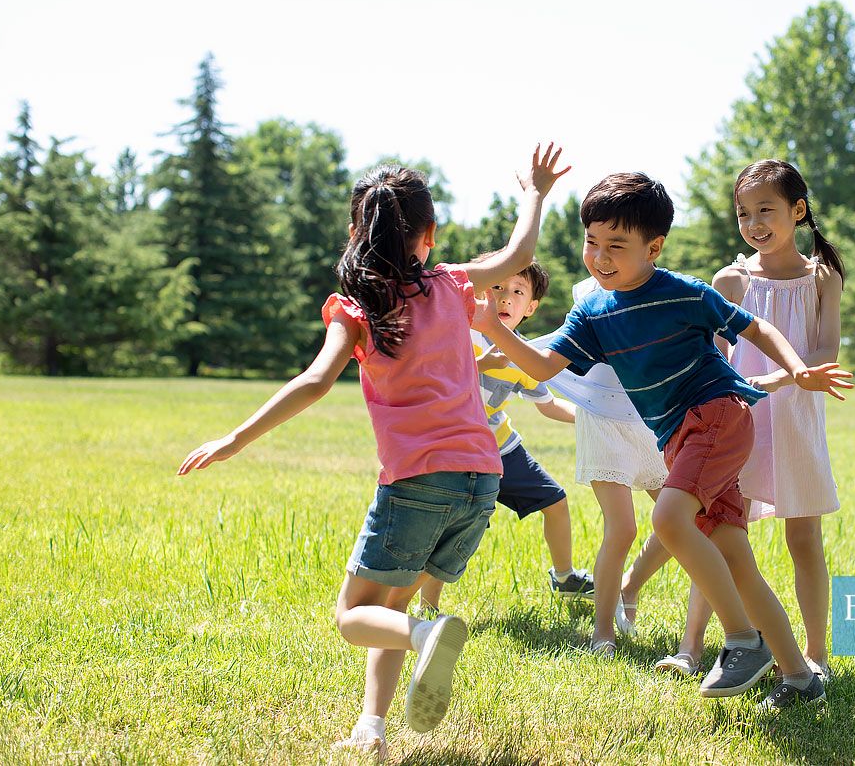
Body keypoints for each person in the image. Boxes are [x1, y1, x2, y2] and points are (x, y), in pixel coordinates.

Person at [177, 144, 570, 756]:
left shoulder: (358, 306)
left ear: (358, 233)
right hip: (482, 481)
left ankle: (428, 634)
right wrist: (535, 191)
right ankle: (373, 725)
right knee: (392, 603)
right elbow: (519, 255)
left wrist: (234, 439)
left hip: (417, 482)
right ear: (429, 234)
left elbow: (313, 381)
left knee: (352, 616)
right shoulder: (453, 284)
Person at [473, 172, 852, 710]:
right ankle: (799, 676)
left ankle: (744, 640)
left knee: (669, 519)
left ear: (654, 248)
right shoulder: (593, 312)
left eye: (617, 247)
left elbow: (757, 330)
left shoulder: (684, 292)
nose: (600, 258)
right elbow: (541, 363)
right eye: (592, 243)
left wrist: (797, 368)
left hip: (717, 417)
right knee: (733, 552)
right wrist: (494, 329)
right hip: (679, 435)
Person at [621, 159, 843, 688]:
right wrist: (762, 385)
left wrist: (786, 380)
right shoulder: (732, 279)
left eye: (766, 210)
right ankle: (692, 648)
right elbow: (716, 360)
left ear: (798, 210)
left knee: (804, 539)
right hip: (734, 420)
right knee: (720, 532)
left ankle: (816, 657)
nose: (754, 223)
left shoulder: (823, 277)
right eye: (744, 213)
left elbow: (824, 351)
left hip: (795, 420)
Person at [417, 257, 593, 616]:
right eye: (497, 287)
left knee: (556, 501)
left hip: (500, 448)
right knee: (454, 525)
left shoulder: (522, 353)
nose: (505, 298)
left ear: (531, 307)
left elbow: (548, 405)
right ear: (480, 292)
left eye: (517, 292)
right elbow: (440, 375)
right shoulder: (458, 332)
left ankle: (564, 577)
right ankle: (427, 606)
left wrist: (594, 420)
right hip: (454, 449)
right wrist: (485, 364)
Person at [529, 275, 667, 656]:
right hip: (602, 423)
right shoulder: (587, 296)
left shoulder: (655, 290)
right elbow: (558, 355)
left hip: (645, 419)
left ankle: (630, 586)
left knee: (682, 521)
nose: (605, 256)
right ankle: (602, 631)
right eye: (595, 243)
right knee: (622, 528)